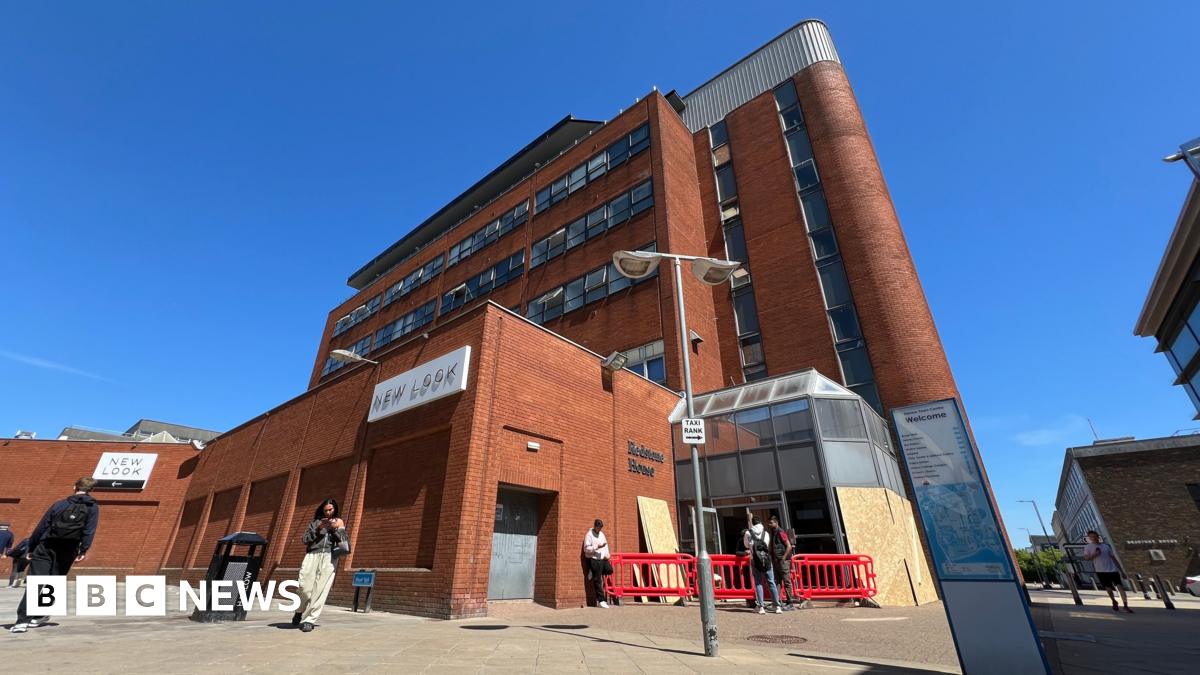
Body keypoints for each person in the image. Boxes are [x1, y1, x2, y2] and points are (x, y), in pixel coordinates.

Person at [11, 477, 101, 633]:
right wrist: (83, 550)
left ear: (74, 487)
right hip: (69, 548)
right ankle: (39, 616)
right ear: (92, 490)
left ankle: (22, 621)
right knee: (54, 582)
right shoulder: (92, 508)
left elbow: (41, 527)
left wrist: (31, 547)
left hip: (46, 545)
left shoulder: (60, 504)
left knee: (36, 582)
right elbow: (89, 530)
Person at [293, 498, 348, 632]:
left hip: (329, 557)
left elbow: (344, 540)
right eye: (325, 510)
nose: (328, 513)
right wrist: (319, 528)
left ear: (335, 509)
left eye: (330, 510)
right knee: (304, 588)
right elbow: (305, 539)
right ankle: (299, 611)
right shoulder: (315, 523)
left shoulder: (338, 522)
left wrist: (335, 529)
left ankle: (309, 620)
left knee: (320, 590)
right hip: (312, 555)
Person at [1083, 530, 1132, 613]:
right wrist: (1095, 554)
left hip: (1113, 570)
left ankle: (1125, 605)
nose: (1094, 538)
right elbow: (1086, 558)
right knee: (1109, 589)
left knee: (1120, 587)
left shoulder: (1106, 546)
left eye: (1095, 536)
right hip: (1101, 571)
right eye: (1092, 537)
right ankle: (1114, 601)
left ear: (1098, 536)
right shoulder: (1088, 547)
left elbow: (1114, 559)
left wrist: (1122, 571)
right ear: (1089, 538)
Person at [744, 509, 782, 614]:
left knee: (758, 583)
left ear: (752, 523)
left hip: (755, 559)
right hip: (766, 559)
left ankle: (761, 606)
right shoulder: (766, 533)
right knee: (771, 582)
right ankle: (777, 606)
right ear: (760, 522)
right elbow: (767, 544)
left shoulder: (748, 533)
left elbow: (746, 545)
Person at [767, 515, 797, 609]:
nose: (769, 524)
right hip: (777, 560)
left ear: (776, 522)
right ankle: (777, 602)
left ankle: (790, 602)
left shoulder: (780, 532)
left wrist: (783, 558)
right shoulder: (774, 532)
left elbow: (788, 546)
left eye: (771, 523)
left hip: (782, 560)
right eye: (769, 523)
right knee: (777, 581)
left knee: (786, 581)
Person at [583, 519, 611, 608]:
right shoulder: (589, 535)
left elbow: (605, 545)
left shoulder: (602, 534)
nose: (599, 529)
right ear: (594, 526)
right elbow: (586, 549)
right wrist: (596, 547)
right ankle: (601, 600)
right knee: (598, 579)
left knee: (609, 570)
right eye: (598, 527)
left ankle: (593, 570)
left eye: (600, 528)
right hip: (593, 558)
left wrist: (607, 554)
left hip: (602, 558)